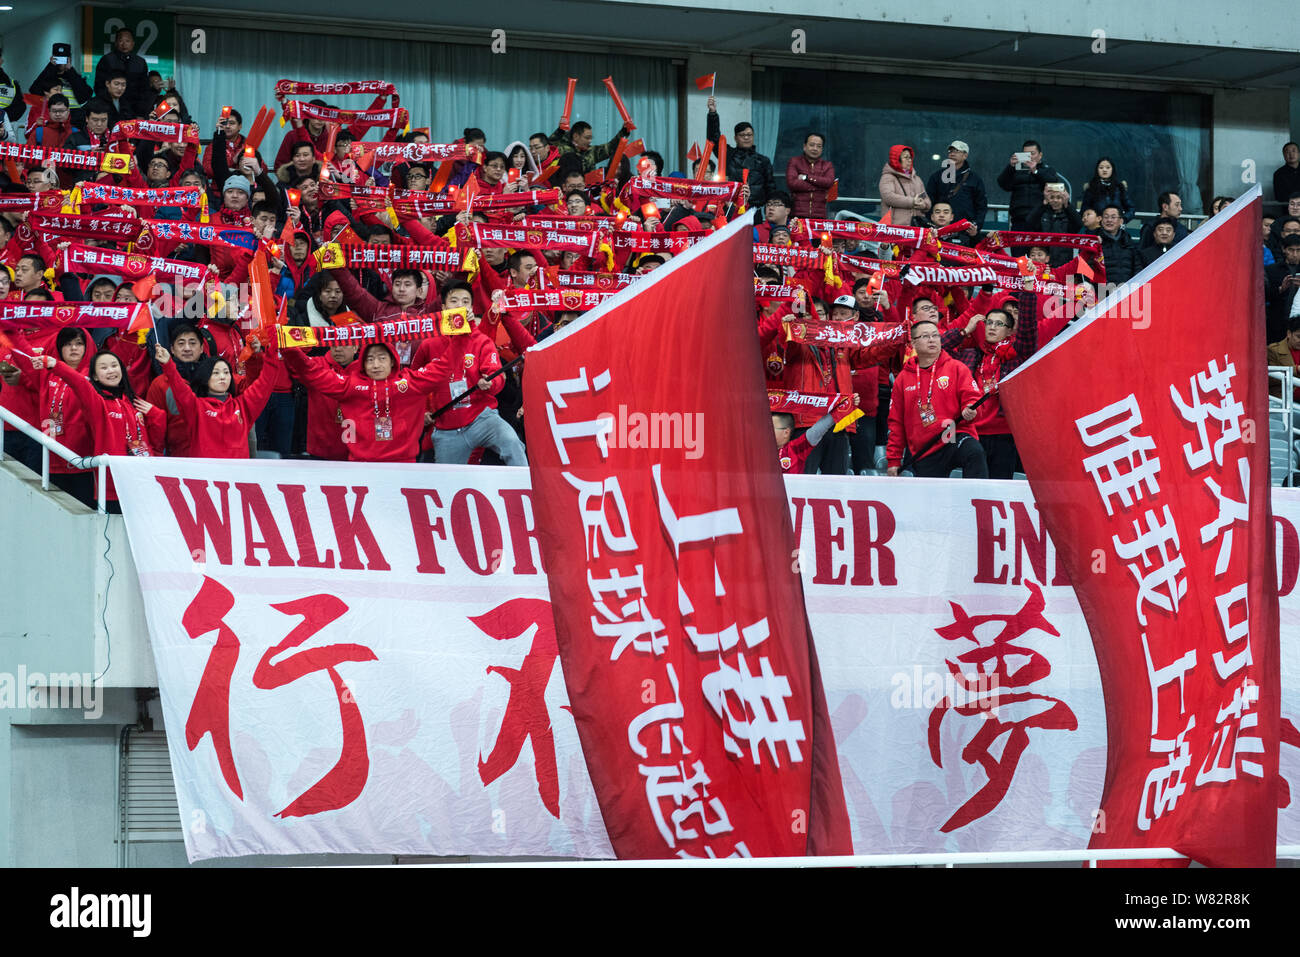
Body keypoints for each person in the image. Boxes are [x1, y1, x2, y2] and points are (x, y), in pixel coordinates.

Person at [282, 342, 455, 463]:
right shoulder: (351, 385)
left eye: (382, 358)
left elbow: (445, 365)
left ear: (393, 360)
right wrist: (289, 348)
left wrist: (463, 334)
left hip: (403, 466)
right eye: (370, 359)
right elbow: (312, 372)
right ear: (363, 363)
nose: (376, 365)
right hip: (361, 466)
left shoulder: (410, 383)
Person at [38, 348, 165, 509]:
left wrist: (155, 414)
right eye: (104, 368)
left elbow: (157, 443)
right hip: (112, 487)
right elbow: (80, 384)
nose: (111, 371)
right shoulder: (98, 404)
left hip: (142, 482)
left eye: (114, 365)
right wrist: (56, 365)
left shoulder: (134, 403)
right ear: (95, 377)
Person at [885, 318, 987, 479]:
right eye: (925, 336)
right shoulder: (902, 379)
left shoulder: (957, 368)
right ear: (914, 343)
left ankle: (977, 501)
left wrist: (971, 408)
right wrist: (893, 460)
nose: (932, 339)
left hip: (953, 433)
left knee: (974, 452)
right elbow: (896, 422)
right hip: (924, 447)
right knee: (931, 498)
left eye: (935, 335)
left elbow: (972, 398)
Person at [153, 341, 281, 459]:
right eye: (216, 373)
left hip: (238, 478)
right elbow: (179, 388)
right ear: (205, 377)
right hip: (205, 478)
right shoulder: (196, 407)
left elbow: (265, 383)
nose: (222, 377)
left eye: (226, 372)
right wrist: (168, 364)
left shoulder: (243, 406)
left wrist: (272, 351)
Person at [705, 96, 775, 211]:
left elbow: (771, 188)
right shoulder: (727, 155)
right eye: (743, 135)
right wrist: (713, 113)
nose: (746, 137)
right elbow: (714, 138)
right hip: (730, 208)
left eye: (749, 135)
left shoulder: (763, 161)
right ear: (735, 138)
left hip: (754, 209)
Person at [996, 140, 1058, 230]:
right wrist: (1010, 166)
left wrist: (1035, 171)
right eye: (1026, 154)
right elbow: (1003, 184)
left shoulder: (1047, 170)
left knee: (1038, 244)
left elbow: (1053, 183)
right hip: (1019, 217)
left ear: (1040, 155)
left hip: (1041, 217)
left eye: (1032, 153)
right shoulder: (1015, 170)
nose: (1029, 157)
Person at [92, 27, 152, 120]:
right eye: (121, 41)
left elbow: (145, 89)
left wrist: (141, 112)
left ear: (133, 43)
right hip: (110, 109)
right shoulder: (107, 60)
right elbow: (99, 86)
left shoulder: (140, 62)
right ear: (116, 43)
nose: (124, 44)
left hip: (134, 110)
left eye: (127, 41)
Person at [926, 141, 987, 232]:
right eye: (950, 151)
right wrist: (929, 224)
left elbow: (981, 206)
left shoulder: (975, 179)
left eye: (956, 151)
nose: (952, 154)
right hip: (939, 230)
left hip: (964, 230)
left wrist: (976, 226)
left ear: (965, 155)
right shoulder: (937, 176)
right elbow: (929, 202)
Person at [1025, 184, 1083, 267]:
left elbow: (1079, 224)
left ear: (1063, 199)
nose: (1055, 200)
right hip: (1045, 263)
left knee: (1069, 280)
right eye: (1052, 197)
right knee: (1045, 280)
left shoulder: (1069, 214)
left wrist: (1067, 205)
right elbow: (1029, 221)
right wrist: (1044, 203)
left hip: (1066, 263)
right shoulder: (1043, 213)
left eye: (1059, 198)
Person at [547, 119, 630, 175]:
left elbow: (610, 147)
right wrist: (560, 131)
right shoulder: (561, 149)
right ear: (576, 136)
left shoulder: (591, 151)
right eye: (587, 138)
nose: (590, 141)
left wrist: (624, 131)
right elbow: (547, 148)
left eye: (591, 138)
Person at [877, 145, 930, 226]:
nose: (909, 160)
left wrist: (923, 205)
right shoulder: (888, 177)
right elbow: (888, 197)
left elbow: (927, 200)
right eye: (906, 157)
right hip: (895, 228)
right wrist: (912, 201)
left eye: (910, 158)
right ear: (896, 159)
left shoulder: (917, 179)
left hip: (916, 227)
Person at [786, 133, 835, 218]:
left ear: (822, 149)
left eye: (819, 146)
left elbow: (829, 182)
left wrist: (806, 177)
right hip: (797, 216)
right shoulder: (795, 162)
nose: (815, 149)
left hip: (819, 217)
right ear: (804, 146)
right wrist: (820, 186)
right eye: (812, 145)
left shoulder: (827, 165)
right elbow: (792, 183)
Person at [1091, 204, 1140, 285]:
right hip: (1101, 292)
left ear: (1121, 221)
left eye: (1113, 217)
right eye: (1106, 217)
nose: (1109, 220)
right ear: (1101, 220)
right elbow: (1087, 268)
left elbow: (1137, 266)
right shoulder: (1094, 241)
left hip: (1126, 291)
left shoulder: (1128, 242)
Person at [1265, 234, 1300, 343]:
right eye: (1291, 250)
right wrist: (1280, 289)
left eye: (1298, 250)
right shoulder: (1271, 270)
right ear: (1284, 249)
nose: (1295, 254)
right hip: (1277, 322)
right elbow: (1263, 297)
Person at [1080, 157, 1134, 222]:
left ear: (1112, 169)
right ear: (1097, 170)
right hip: (1096, 227)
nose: (1104, 170)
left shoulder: (1119, 188)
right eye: (1101, 167)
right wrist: (1093, 220)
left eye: (1108, 167)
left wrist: (1123, 219)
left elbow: (1131, 209)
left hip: (1116, 227)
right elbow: (1084, 210)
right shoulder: (1091, 188)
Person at [1274, 143, 1300, 212]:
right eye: (1287, 152)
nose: (1291, 154)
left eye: (1294, 151)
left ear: (1299, 153)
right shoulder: (1278, 174)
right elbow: (1279, 197)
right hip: (1288, 212)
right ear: (1284, 155)